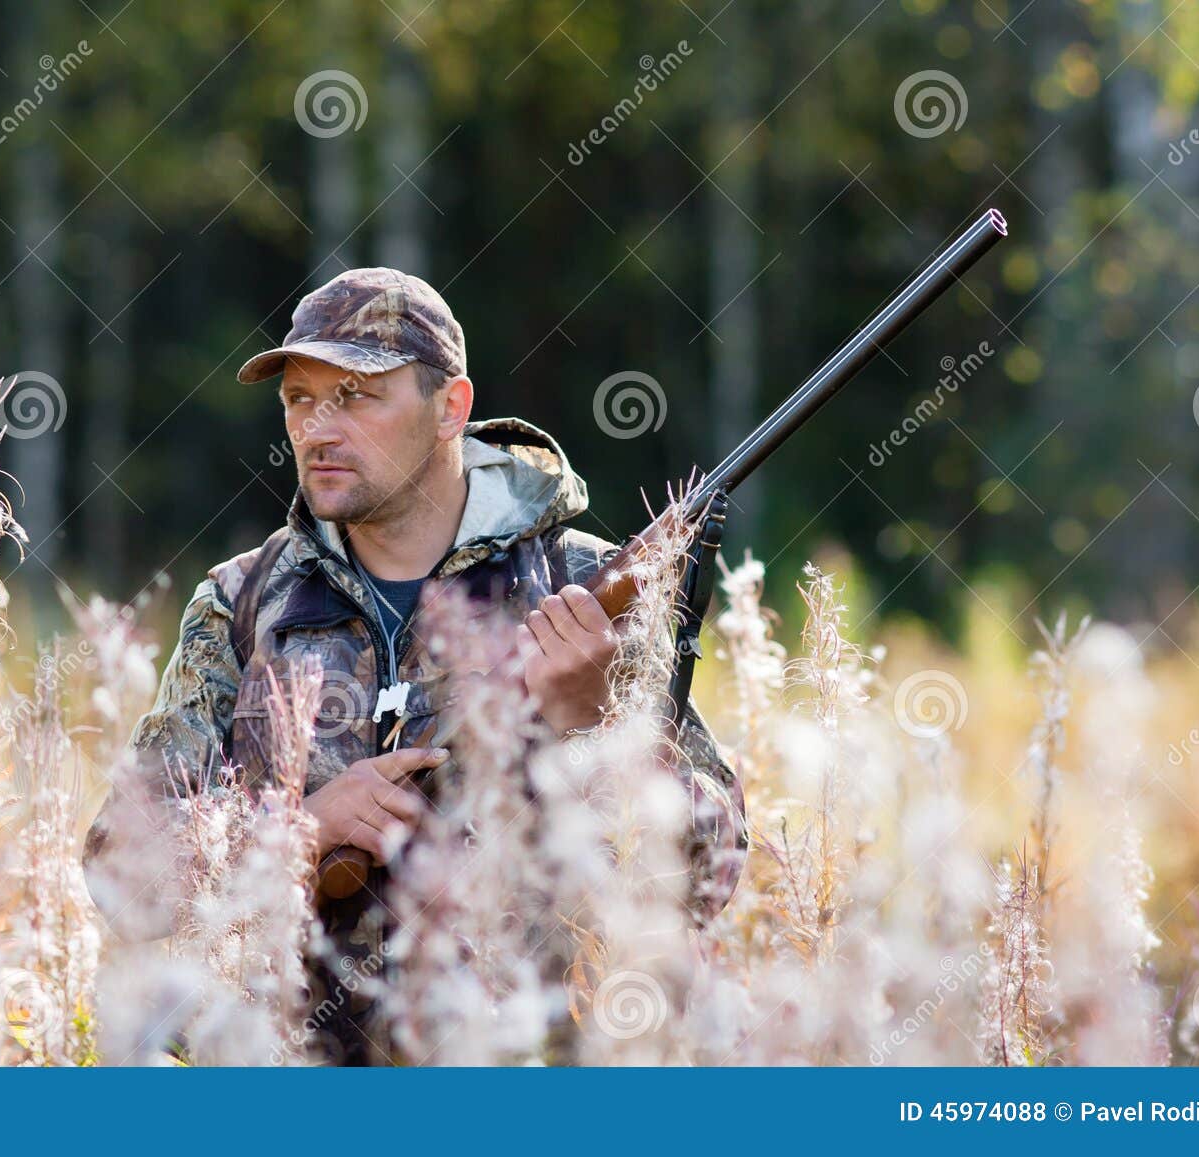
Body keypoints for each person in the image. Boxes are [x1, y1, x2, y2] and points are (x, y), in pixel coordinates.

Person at [84, 267, 744, 1064]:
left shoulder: (587, 595)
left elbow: (707, 872)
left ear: (451, 408)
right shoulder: (244, 602)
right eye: (299, 399)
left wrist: (595, 730)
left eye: (356, 395)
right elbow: (123, 873)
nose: (318, 429)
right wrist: (297, 832)